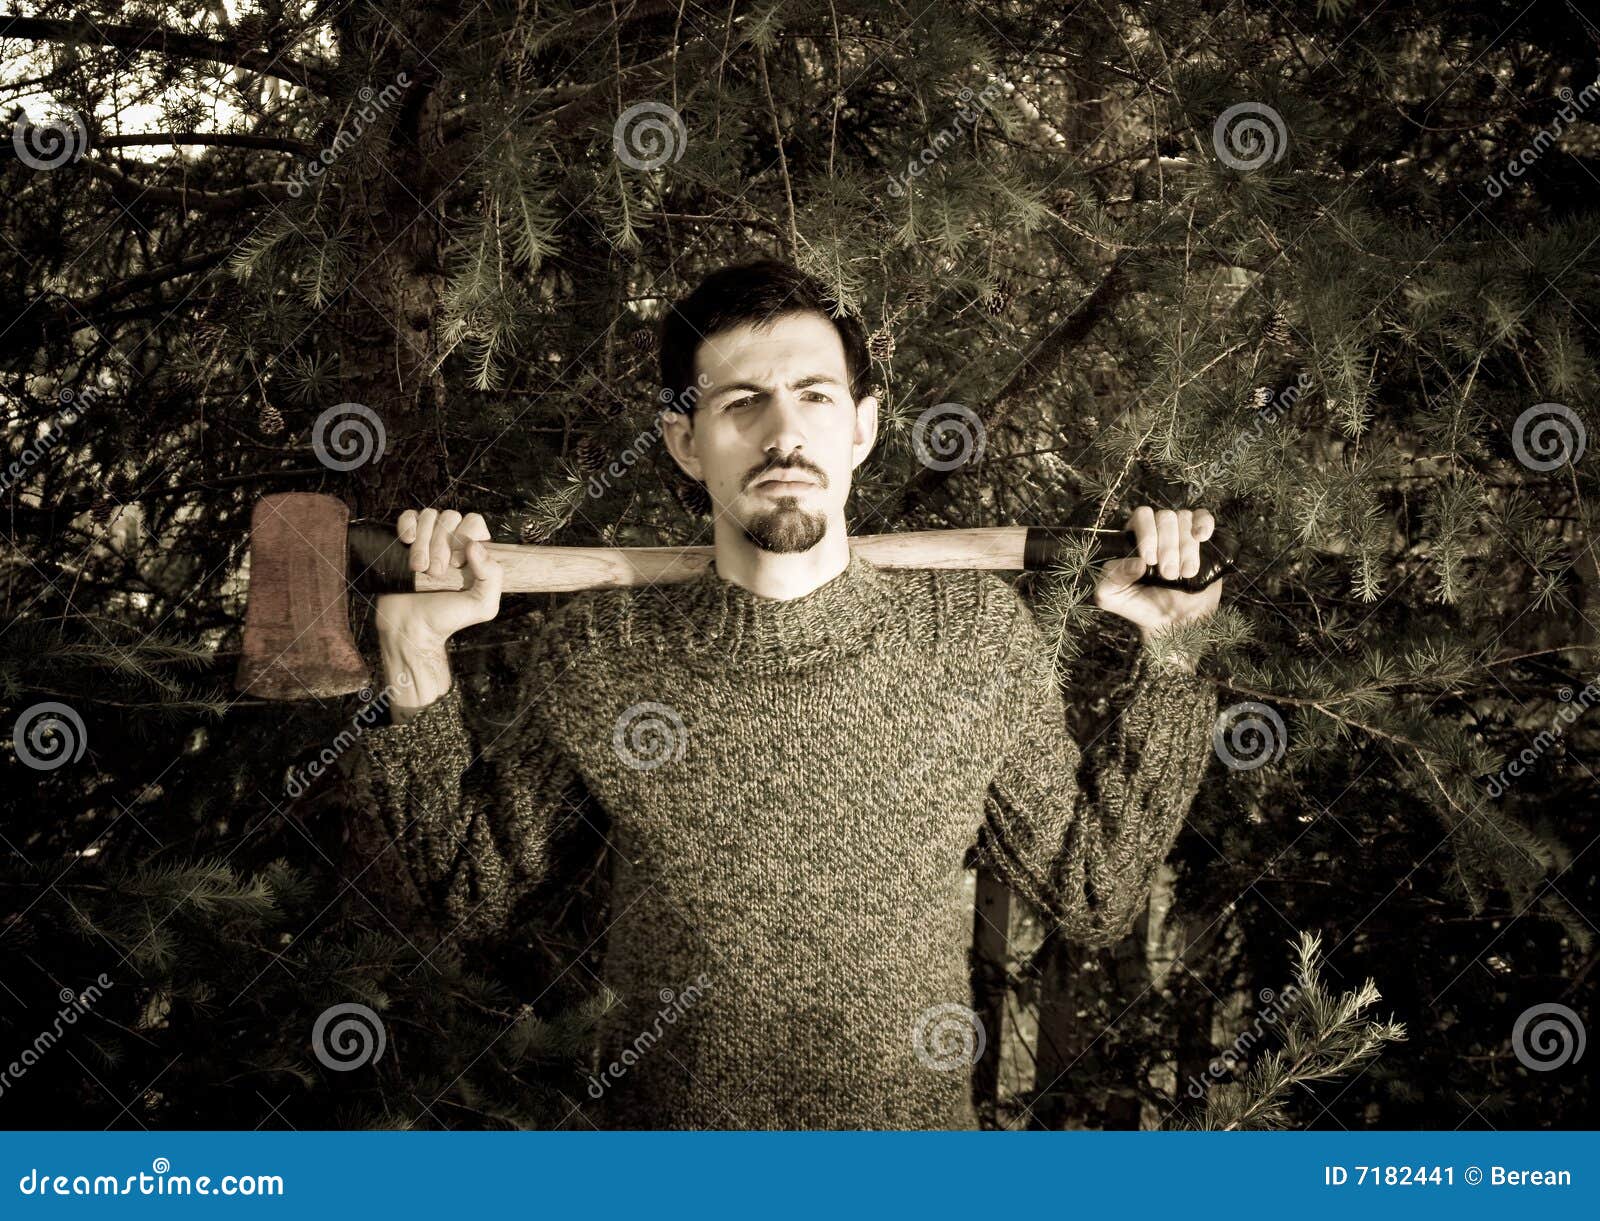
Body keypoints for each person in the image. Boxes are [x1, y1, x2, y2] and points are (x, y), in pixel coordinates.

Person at [352, 258, 1224, 1130]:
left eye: (815, 395)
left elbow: (1096, 891)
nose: (783, 434)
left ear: (862, 428)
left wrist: (1175, 654)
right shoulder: (602, 648)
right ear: (683, 442)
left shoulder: (971, 639)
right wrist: (415, 656)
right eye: (741, 402)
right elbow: (472, 893)